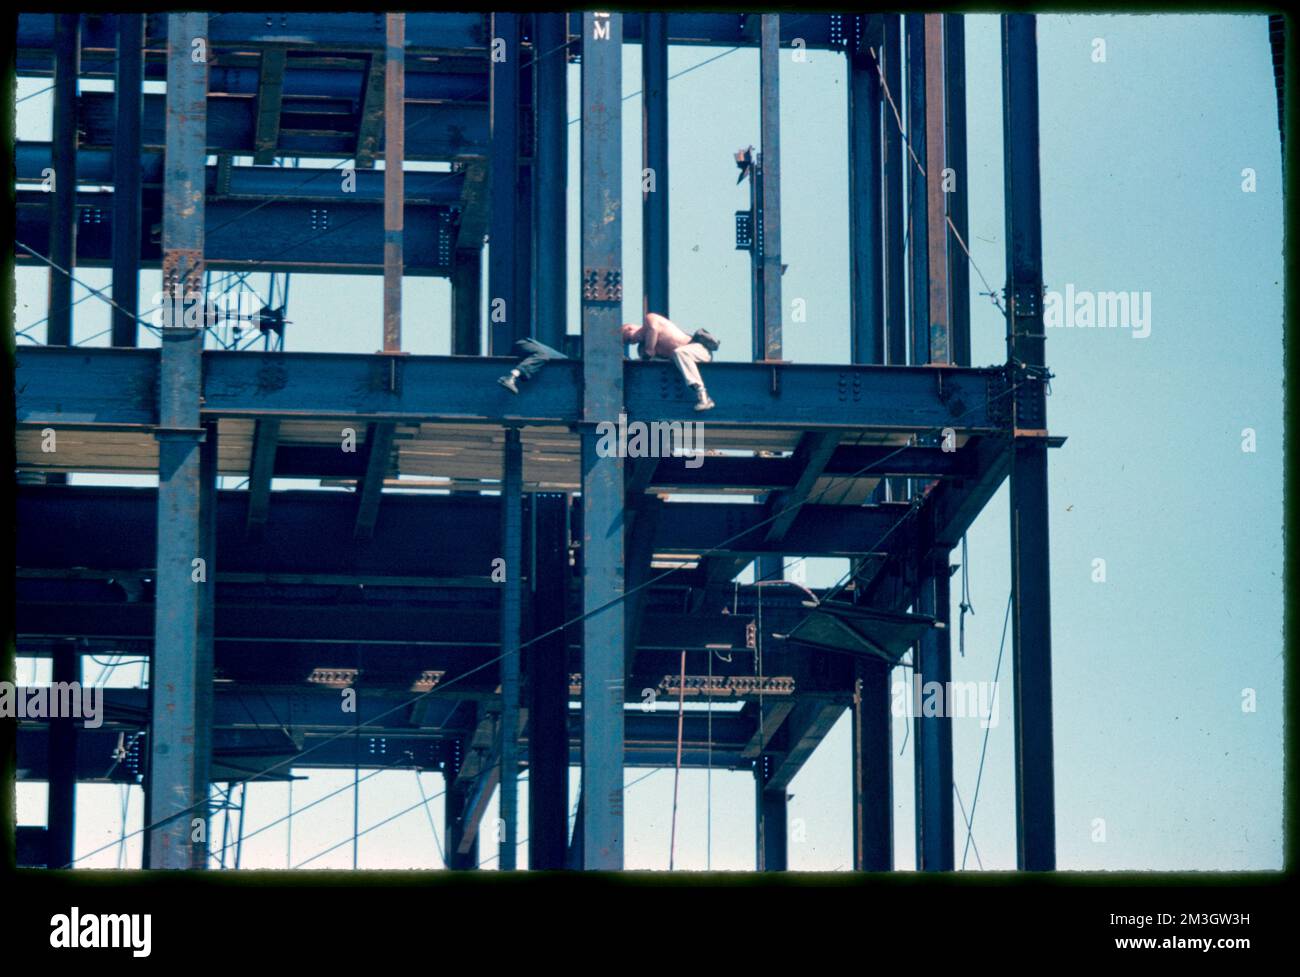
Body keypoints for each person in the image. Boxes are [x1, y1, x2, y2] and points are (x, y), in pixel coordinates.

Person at [620, 312, 717, 411]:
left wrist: (649, 350)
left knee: (680, 352)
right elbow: (651, 362)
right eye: (629, 343)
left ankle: (703, 395)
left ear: (630, 328)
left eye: (628, 339)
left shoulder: (650, 319)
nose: (632, 343)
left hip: (700, 350)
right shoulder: (642, 348)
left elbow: (653, 330)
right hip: (684, 360)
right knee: (678, 353)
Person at [497, 336, 567, 394]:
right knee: (542, 355)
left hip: (524, 349)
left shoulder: (563, 360)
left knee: (541, 355)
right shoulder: (565, 361)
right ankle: (510, 378)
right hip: (524, 344)